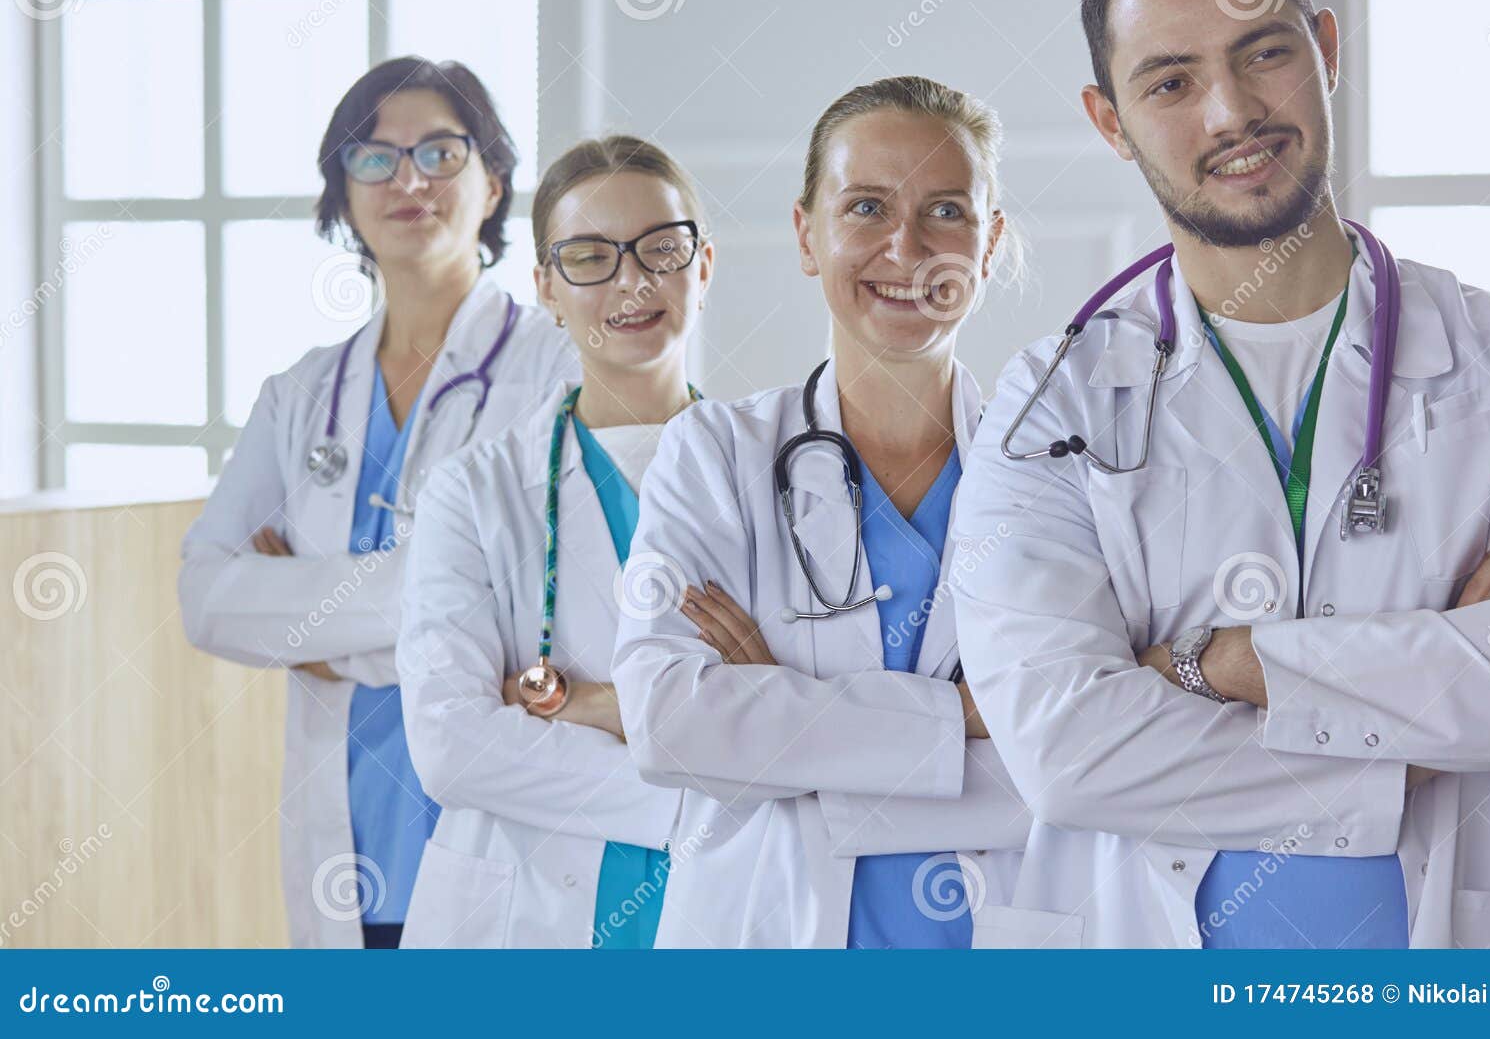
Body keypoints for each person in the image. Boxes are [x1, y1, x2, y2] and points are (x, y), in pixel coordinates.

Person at [952, 0, 1490, 948]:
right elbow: (1063, 749)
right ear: (1107, 120)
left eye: (1263, 52)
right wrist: (1429, 718)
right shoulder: (1047, 401)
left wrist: (1214, 662)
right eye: (1170, 80)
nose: (1229, 113)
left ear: (1325, 47)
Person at [613, 76, 1031, 948]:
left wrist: (786, 712)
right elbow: (673, 726)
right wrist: (967, 714)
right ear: (808, 234)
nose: (907, 247)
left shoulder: (1056, 470)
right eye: (868, 206)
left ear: (989, 244)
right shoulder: (714, 454)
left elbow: (1074, 744)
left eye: (946, 211)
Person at [178, 57, 577, 948]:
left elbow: (540, 599)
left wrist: (314, 634)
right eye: (374, 157)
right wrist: (439, 616)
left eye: (440, 151)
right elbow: (206, 598)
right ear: (342, 192)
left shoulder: (557, 366)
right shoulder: (300, 395)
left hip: (499, 835)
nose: (408, 180)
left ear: (494, 180)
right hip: (347, 843)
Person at [395, 136, 714, 948]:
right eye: (589, 257)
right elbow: (451, 743)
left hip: (722, 904)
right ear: (545, 287)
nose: (632, 282)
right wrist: (697, 792)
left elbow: (805, 714)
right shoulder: (471, 492)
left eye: (661, 249)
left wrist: (590, 708)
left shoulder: (782, 479)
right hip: (521, 916)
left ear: (702, 264)